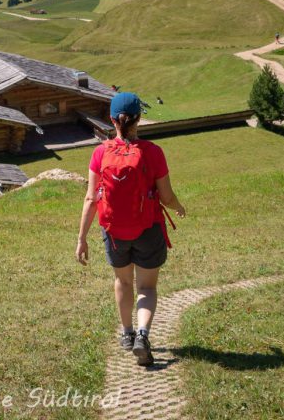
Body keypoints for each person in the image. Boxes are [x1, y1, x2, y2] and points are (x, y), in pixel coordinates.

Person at [77, 92, 186, 368]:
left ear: (112, 120)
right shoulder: (153, 152)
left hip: (113, 232)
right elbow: (166, 196)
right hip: (148, 229)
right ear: (139, 118)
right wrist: (178, 207)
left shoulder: (99, 153)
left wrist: (81, 239)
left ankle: (126, 334)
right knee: (147, 286)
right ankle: (143, 335)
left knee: (123, 282)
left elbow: (91, 198)